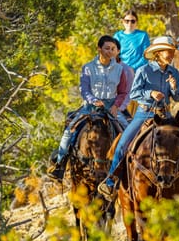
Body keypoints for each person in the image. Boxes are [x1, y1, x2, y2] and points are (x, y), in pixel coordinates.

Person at [97, 36, 179, 200]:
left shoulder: (173, 72)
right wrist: (150, 93)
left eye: (171, 51)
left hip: (165, 114)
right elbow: (133, 93)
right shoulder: (143, 71)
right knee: (122, 145)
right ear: (157, 53)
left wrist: (175, 88)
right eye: (167, 51)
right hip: (144, 113)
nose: (170, 54)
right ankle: (111, 182)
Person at [49, 35, 130, 181]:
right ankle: (60, 164)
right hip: (90, 107)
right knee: (70, 130)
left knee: (128, 130)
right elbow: (84, 89)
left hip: (111, 106)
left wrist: (116, 105)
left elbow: (123, 91)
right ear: (99, 49)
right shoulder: (88, 68)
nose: (110, 51)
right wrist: (93, 100)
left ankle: (129, 164)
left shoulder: (119, 69)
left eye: (112, 49)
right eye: (106, 48)